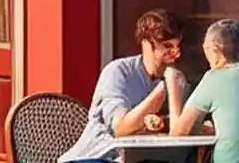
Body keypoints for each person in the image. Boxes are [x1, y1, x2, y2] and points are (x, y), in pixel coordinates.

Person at [60, 9, 188, 163]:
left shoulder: (178, 79)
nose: (176, 53)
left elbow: (178, 131)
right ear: (146, 44)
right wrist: (162, 90)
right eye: (167, 46)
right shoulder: (118, 73)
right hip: (96, 157)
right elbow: (121, 129)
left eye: (178, 46)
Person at [169, 19, 239, 163]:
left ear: (217, 51)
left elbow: (178, 132)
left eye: (206, 49)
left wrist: (173, 84)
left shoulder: (214, 78)